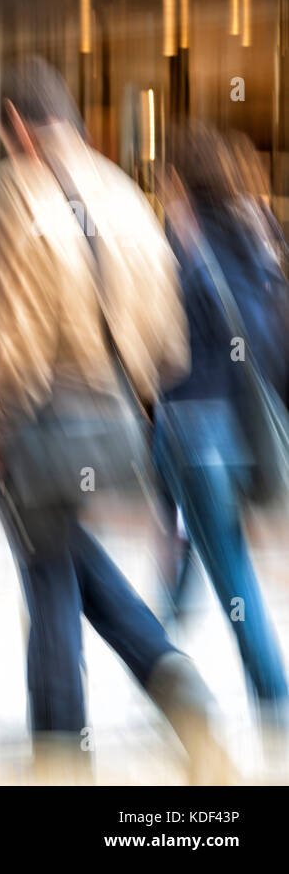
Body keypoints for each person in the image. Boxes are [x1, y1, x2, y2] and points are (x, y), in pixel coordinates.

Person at [0, 57, 232, 783]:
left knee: (48, 572)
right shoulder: (121, 189)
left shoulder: (14, 189)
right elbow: (168, 336)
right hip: (114, 421)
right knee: (61, 551)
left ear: (16, 124)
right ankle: (173, 683)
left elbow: (0, 338)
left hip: (40, 417)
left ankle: (62, 751)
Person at [153, 121, 289, 741]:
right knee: (204, 544)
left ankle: (272, 695)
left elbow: (167, 341)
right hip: (243, 430)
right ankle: (167, 625)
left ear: (180, 177)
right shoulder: (259, 236)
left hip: (194, 427)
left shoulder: (188, 241)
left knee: (230, 570)